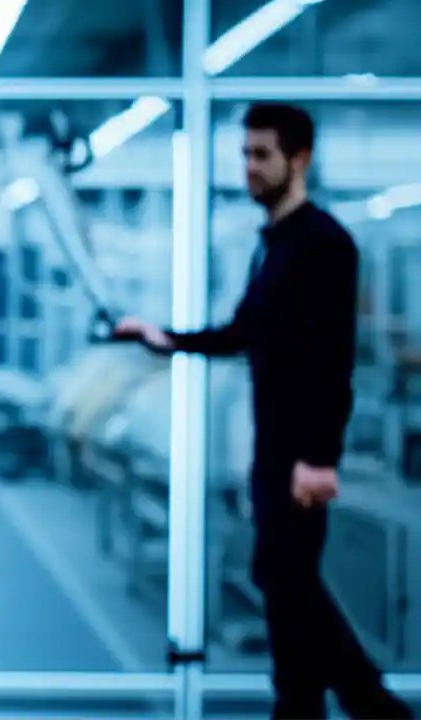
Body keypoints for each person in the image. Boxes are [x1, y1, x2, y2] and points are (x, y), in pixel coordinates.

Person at [117, 103, 413, 720]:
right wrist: (165, 337)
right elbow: (242, 332)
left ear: (298, 159)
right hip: (270, 444)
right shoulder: (273, 245)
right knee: (282, 586)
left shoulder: (324, 244)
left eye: (261, 155)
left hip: (299, 451)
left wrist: (319, 458)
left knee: (289, 583)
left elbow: (335, 361)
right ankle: (303, 707)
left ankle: (373, 709)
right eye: (245, 154)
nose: (249, 167)